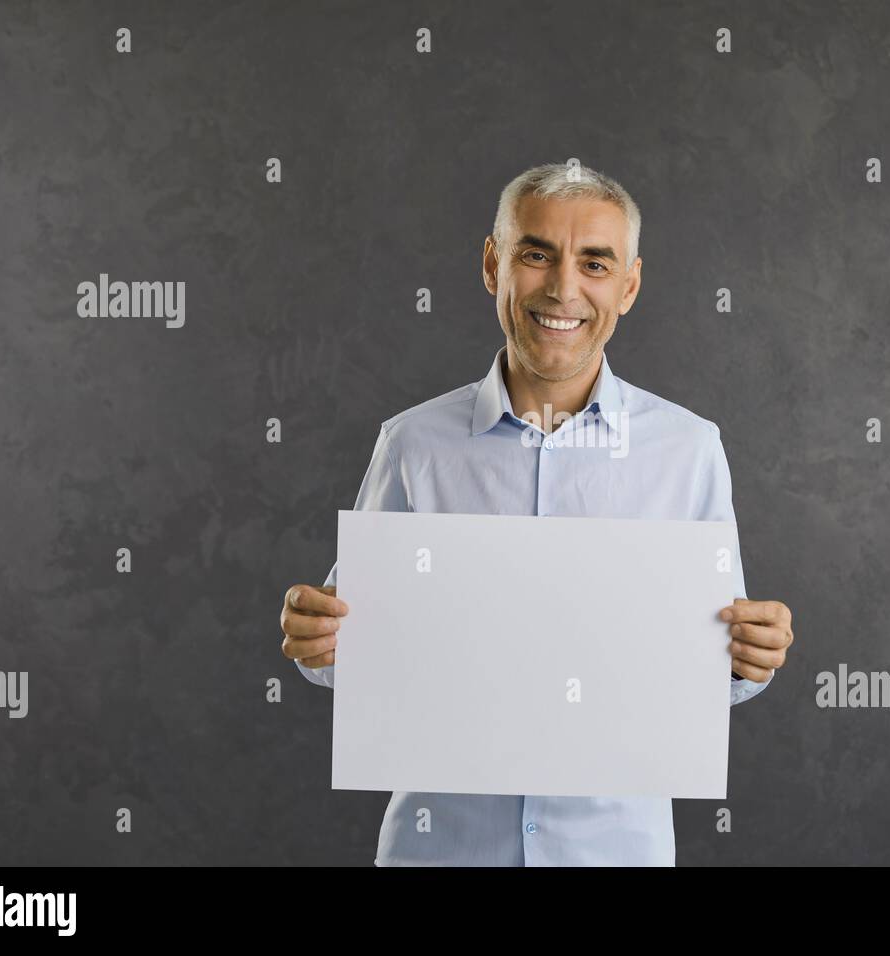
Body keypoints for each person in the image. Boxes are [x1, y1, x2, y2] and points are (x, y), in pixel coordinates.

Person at [279, 162, 796, 865]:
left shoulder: (688, 451)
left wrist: (750, 660)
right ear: (493, 265)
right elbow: (354, 660)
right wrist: (320, 642)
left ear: (629, 286)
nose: (563, 288)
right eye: (535, 254)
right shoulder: (414, 444)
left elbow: (709, 673)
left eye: (595, 263)